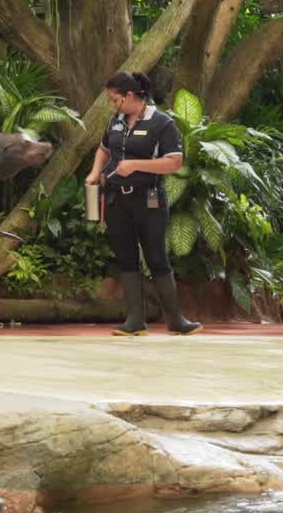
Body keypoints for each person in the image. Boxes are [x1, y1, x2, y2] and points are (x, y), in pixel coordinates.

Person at [85, 72, 203, 336]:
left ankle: (176, 320)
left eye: (115, 100)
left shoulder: (162, 123)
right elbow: (104, 150)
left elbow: (174, 161)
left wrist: (136, 165)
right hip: (117, 199)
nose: (112, 105)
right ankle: (135, 321)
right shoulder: (115, 121)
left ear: (129, 96)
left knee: (156, 257)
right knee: (126, 258)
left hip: (148, 198)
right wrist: (95, 173)